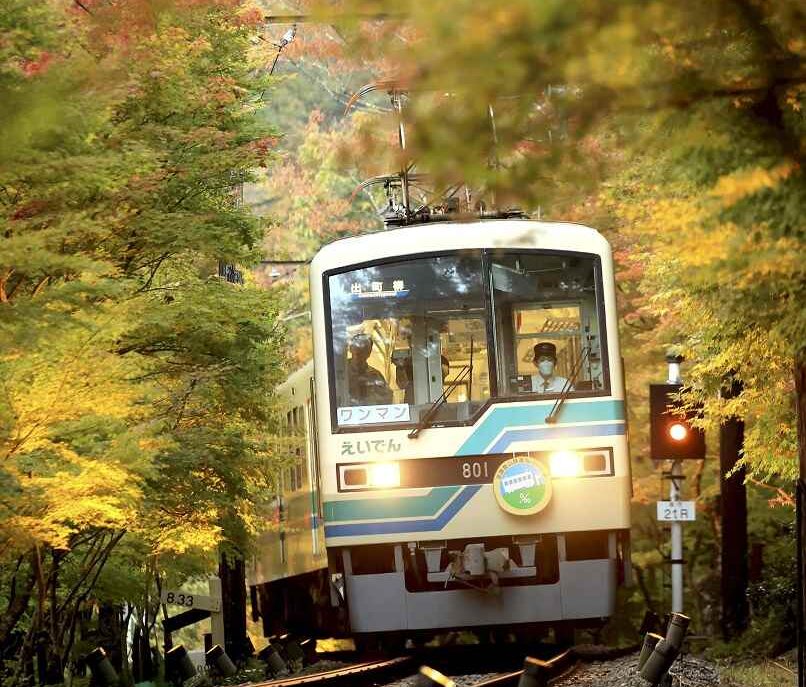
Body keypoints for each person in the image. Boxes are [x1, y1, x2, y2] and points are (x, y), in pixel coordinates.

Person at [347, 334, 392, 405]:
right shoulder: (340, 372)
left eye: (364, 348)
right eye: (357, 345)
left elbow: (387, 399)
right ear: (350, 348)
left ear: (369, 352)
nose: (360, 349)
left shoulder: (376, 376)